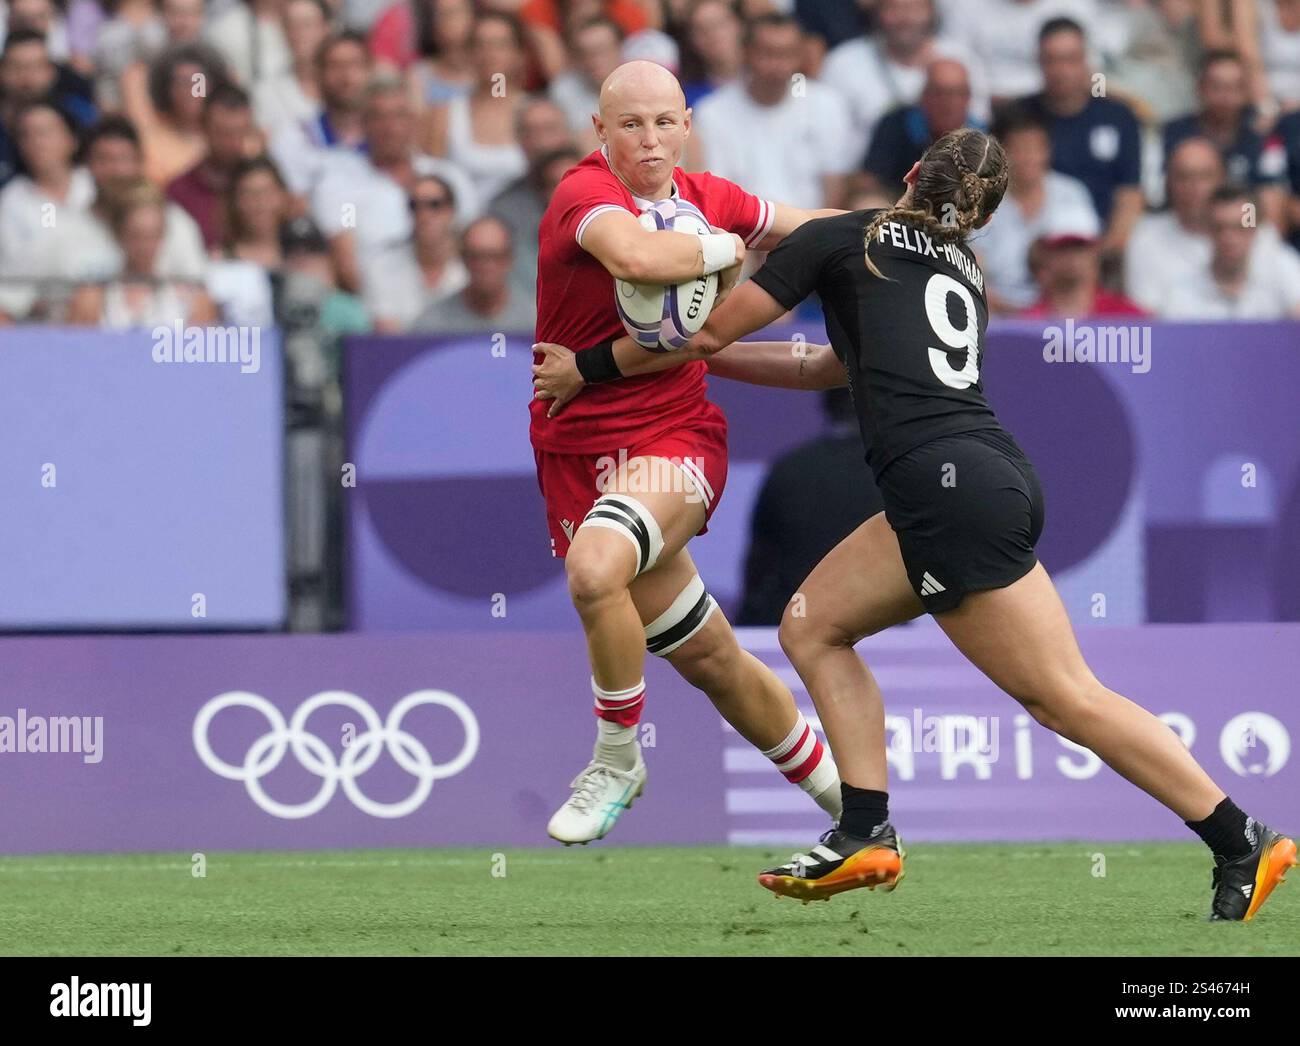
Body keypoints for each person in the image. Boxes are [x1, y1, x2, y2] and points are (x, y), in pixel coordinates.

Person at [533, 126, 1297, 922]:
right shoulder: (962, 268)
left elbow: (713, 327)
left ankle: (1238, 836)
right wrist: (701, 357)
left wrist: (595, 359)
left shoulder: (845, 237)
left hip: (942, 493)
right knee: (812, 624)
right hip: (985, 475)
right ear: (982, 219)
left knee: (1064, 699)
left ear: (906, 174)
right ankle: (865, 827)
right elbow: (823, 367)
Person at [529, 59, 846, 846]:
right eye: (629, 124)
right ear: (599, 131)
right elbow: (639, 259)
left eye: (664, 122)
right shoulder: (583, 195)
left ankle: (614, 760)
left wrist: (907, 227)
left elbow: (811, 225)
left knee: (597, 567)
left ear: (687, 127)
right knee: (713, 659)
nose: (648, 139)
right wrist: (726, 254)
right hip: (575, 453)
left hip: (676, 440)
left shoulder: (711, 198)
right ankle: (859, 810)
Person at [736, 387, 885, 627]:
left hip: (788, 623)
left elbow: (758, 563)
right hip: (879, 625)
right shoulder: (893, 471)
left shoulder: (788, 468)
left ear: (825, 404)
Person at [694, 13, 854, 211]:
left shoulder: (826, 104)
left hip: (815, 232)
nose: (778, 65)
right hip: (743, 233)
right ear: (746, 52)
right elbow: (716, 192)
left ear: (800, 55)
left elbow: (835, 183)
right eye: (768, 54)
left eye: (787, 54)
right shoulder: (712, 113)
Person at [1017, 16, 1143, 257]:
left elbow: (1130, 195)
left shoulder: (1119, 118)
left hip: (1102, 250)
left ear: (1086, 60)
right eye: (1052, 60)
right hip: (1028, 251)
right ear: (1039, 62)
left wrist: (1104, 255)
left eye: (1070, 59)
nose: (1061, 70)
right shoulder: (1017, 118)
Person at [974, 102, 1096, 312]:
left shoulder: (1072, 194)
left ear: (1047, 150)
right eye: (1018, 149)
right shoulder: (980, 202)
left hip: (1063, 315)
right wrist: (1018, 315)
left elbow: (1087, 264)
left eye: (1035, 148)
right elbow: (971, 274)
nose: (1028, 157)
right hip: (994, 318)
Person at [68, 177, 217, 326]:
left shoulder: (192, 299)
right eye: (136, 236)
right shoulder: (92, 299)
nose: (145, 247)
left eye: (153, 235)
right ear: (118, 234)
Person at [1160, 182, 1300, 319]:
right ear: (1206, 230)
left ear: (1256, 229)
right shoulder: (1183, 292)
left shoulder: (1282, 267)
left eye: (1240, 227)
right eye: (1219, 228)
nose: (1229, 238)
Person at [1123, 135, 1223, 313]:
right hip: (1173, 339)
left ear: (1222, 180)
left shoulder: (1251, 230)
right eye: (1184, 177)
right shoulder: (1145, 236)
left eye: (1205, 177)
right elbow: (1145, 316)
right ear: (1168, 182)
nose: (1195, 187)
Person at [857, 57, 977, 199]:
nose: (947, 103)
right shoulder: (896, 124)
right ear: (924, 96)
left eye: (956, 93)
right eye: (939, 93)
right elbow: (868, 182)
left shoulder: (983, 135)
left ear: (968, 98)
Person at [366, 172, 468, 330]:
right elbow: (386, 334)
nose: (424, 214)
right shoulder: (382, 266)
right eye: (414, 205)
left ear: (451, 211)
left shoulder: (472, 268)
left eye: (434, 205)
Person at [166, 81, 261, 249]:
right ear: (203, 129)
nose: (233, 143)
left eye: (241, 132)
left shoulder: (266, 186)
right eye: (223, 133)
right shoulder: (179, 192)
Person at [410, 214, 533, 332]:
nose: (486, 266)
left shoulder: (535, 322)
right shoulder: (431, 326)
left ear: (510, 258)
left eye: (495, 256)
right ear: (463, 258)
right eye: (477, 256)